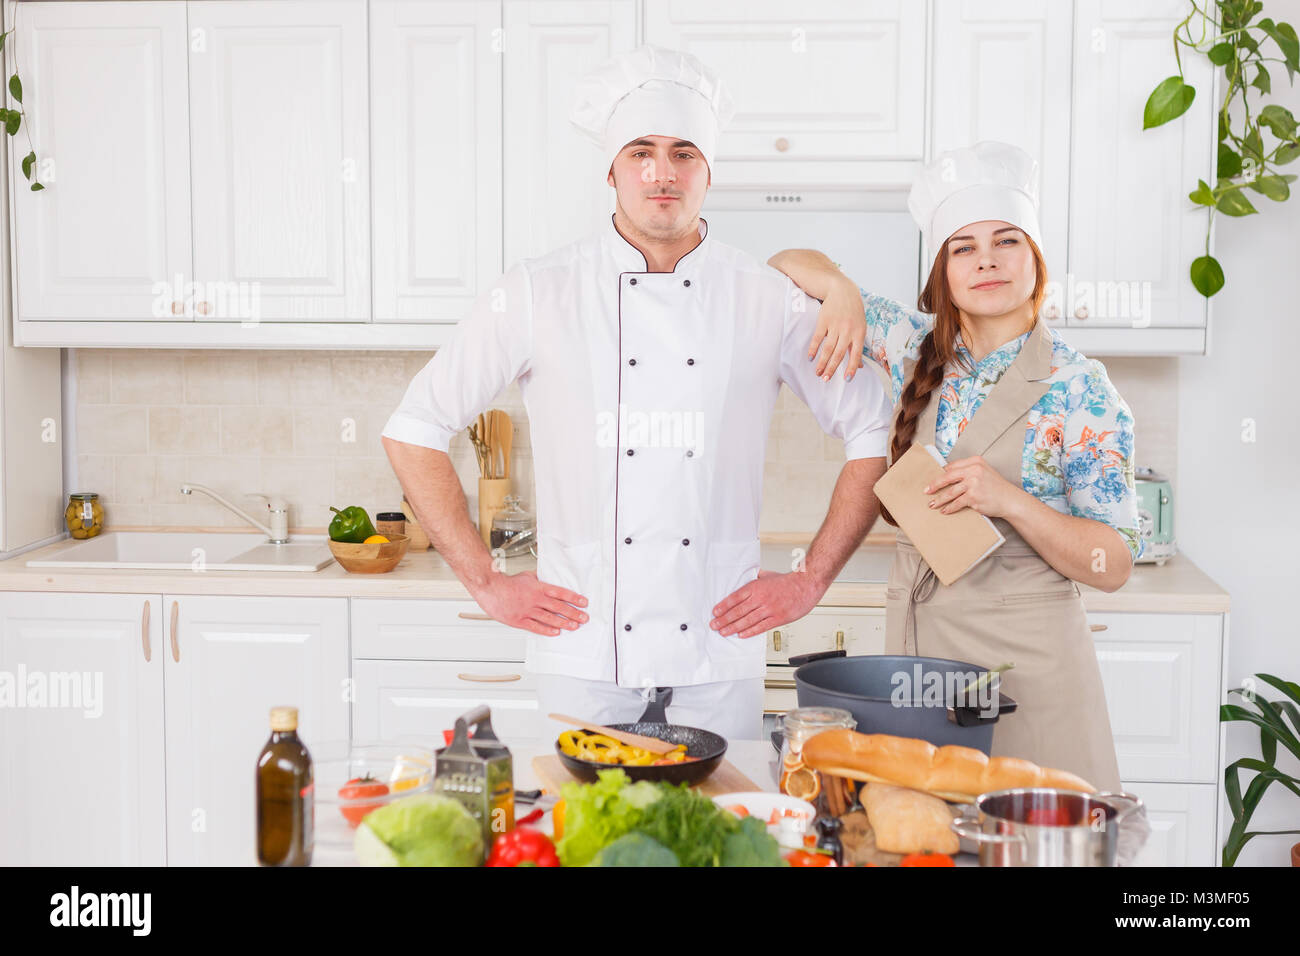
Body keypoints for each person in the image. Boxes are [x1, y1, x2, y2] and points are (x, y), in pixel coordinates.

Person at [380, 45, 892, 741]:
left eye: (684, 153)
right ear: (613, 170)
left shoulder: (767, 298)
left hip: (718, 642)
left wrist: (810, 579)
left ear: (709, 172)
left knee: (718, 835)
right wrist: (486, 581)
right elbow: (414, 427)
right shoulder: (539, 290)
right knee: (583, 838)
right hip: (582, 644)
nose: (662, 172)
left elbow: (875, 429)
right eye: (641, 151)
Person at [768, 142, 1140, 790]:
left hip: (1028, 665)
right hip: (919, 651)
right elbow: (781, 264)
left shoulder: (1081, 388)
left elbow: (1113, 564)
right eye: (963, 247)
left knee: (1030, 843)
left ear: (1037, 258)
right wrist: (843, 289)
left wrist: (1009, 500)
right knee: (923, 840)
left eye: (1006, 241)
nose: (986, 259)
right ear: (943, 271)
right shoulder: (911, 345)